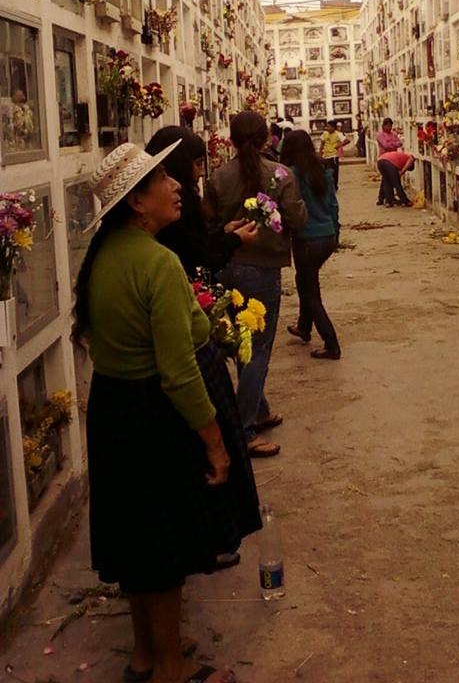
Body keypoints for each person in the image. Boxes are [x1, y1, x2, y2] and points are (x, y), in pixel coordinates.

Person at [72, 141, 236, 683]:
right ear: (137, 203)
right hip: (152, 414)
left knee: (137, 543)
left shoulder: (106, 255)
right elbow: (179, 372)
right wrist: (214, 441)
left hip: (113, 408)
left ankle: (146, 653)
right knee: (163, 548)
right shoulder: (158, 263)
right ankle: (171, 668)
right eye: (163, 179)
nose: (176, 187)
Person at [145, 127, 262, 571]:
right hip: (187, 349)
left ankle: (214, 532)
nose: (193, 176)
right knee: (206, 444)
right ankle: (207, 537)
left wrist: (226, 233)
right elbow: (202, 258)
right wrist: (234, 241)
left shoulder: (183, 209)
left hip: (195, 327)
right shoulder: (163, 239)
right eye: (193, 165)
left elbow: (202, 249)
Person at [205, 111, 308, 458]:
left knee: (239, 341)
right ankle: (245, 429)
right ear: (266, 139)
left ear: (231, 140)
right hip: (262, 269)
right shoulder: (279, 174)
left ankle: (259, 412)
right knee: (258, 349)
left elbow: (211, 223)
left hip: (226, 267)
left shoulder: (218, 176)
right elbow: (296, 217)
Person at [280, 130, 341, 360]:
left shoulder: (290, 175)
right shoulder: (323, 170)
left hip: (306, 239)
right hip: (327, 237)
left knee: (309, 292)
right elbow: (333, 204)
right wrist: (335, 230)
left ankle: (331, 343)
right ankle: (304, 327)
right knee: (306, 280)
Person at [320, 119, 349, 189]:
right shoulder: (325, 133)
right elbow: (322, 143)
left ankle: (334, 186)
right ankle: (328, 185)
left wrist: (339, 145)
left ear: (333, 127)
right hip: (326, 156)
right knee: (326, 172)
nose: (328, 128)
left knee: (334, 172)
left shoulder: (338, 134)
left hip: (333, 156)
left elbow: (347, 140)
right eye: (327, 127)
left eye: (329, 127)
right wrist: (320, 152)